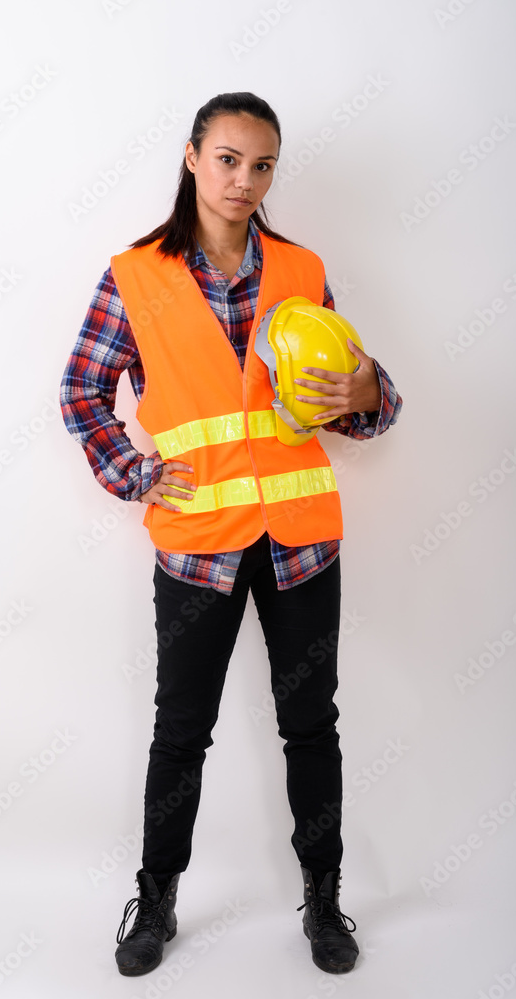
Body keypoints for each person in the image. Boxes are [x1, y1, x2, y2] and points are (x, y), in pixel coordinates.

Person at [60, 91, 402, 978]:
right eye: (227, 159)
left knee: (309, 726)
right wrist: (137, 475)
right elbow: (81, 394)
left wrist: (369, 394)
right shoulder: (134, 276)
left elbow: (352, 394)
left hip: (300, 542)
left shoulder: (300, 268)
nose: (243, 180)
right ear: (191, 157)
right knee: (181, 732)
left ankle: (323, 901)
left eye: (261, 166)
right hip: (196, 543)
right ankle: (157, 898)